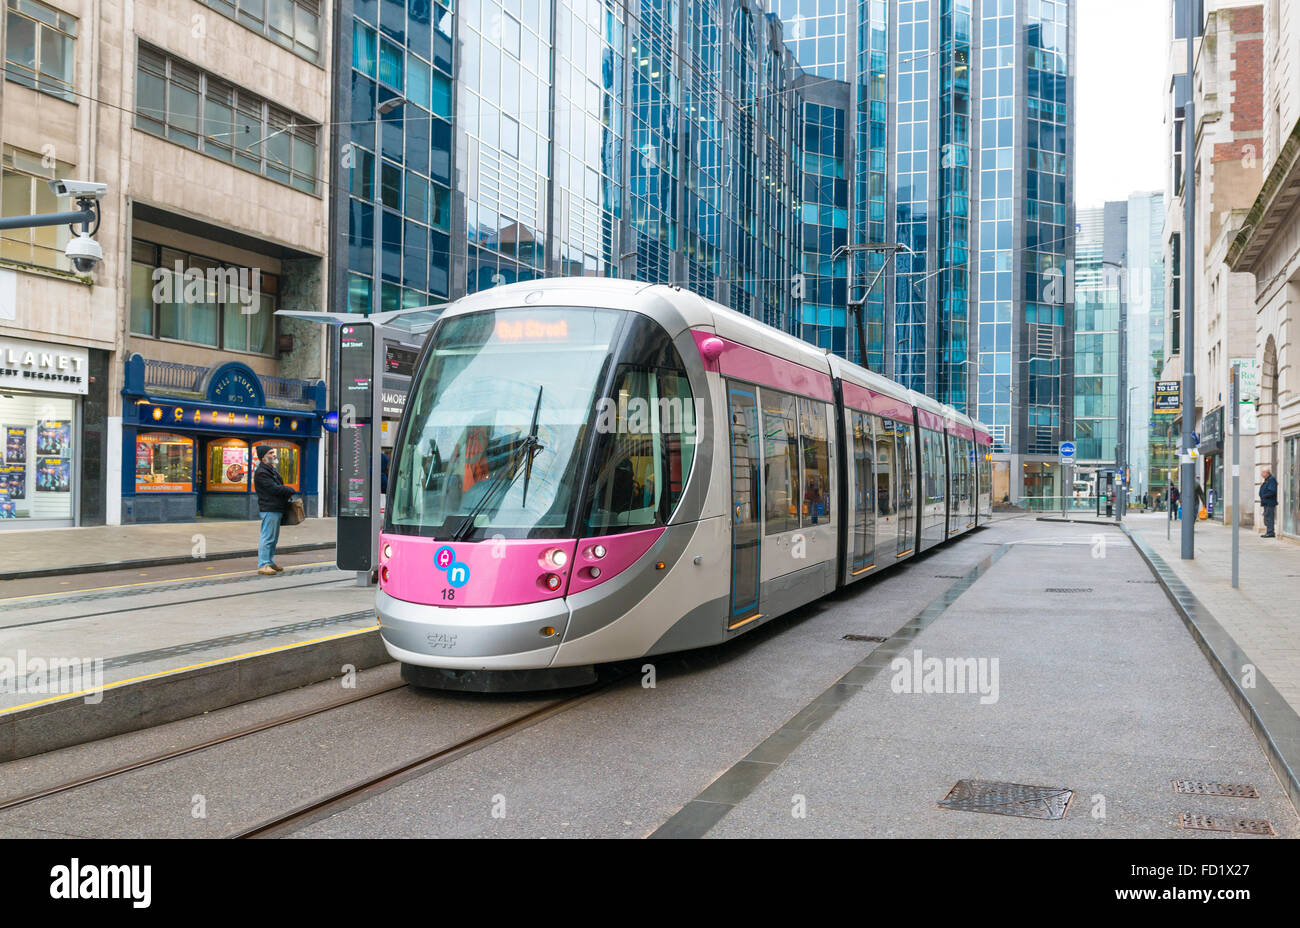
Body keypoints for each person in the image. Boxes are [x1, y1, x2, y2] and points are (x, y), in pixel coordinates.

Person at [254, 444, 296, 575]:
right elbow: (273, 488)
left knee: (273, 538)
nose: (273, 455)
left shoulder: (271, 470)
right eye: (270, 453)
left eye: (273, 453)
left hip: (276, 508)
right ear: (263, 457)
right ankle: (263, 564)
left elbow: (277, 486)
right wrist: (289, 489)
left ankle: (269, 562)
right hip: (269, 508)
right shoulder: (261, 472)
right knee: (267, 537)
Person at [1259, 467, 1278, 538]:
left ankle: (1270, 532)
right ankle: (1269, 531)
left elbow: (1272, 491)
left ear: (1267, 473)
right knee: (1267, 517)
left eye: (1263, 472)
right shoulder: (1267, 480)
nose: (1261, 474)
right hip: (1266, 502)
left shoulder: (1271, 480)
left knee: (1269, 517)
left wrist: (1264, 496)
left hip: (1269, 502)